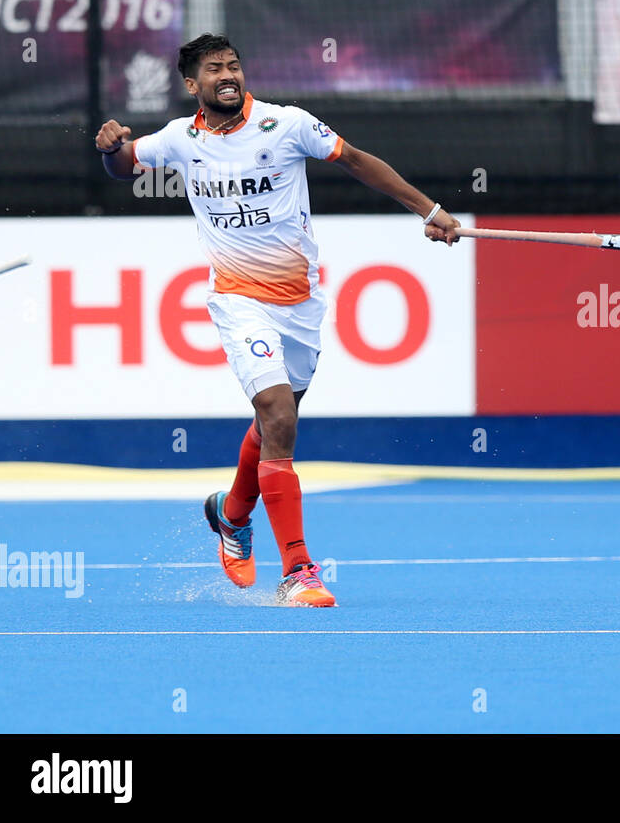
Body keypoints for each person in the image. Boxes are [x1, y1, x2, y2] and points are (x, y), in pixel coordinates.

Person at [95, 33, 461, 606]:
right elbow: (123, 166)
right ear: (192, 85)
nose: (228, 75)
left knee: (275, 423)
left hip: (301, 303)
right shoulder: (180, 139)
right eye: (215, 69)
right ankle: (299, 572)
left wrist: (431, 210)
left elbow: (359, 162)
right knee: (277, 413)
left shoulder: (286, 125)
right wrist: (111, 148)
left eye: (234, 65)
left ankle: (230, 513)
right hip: (239, 299)